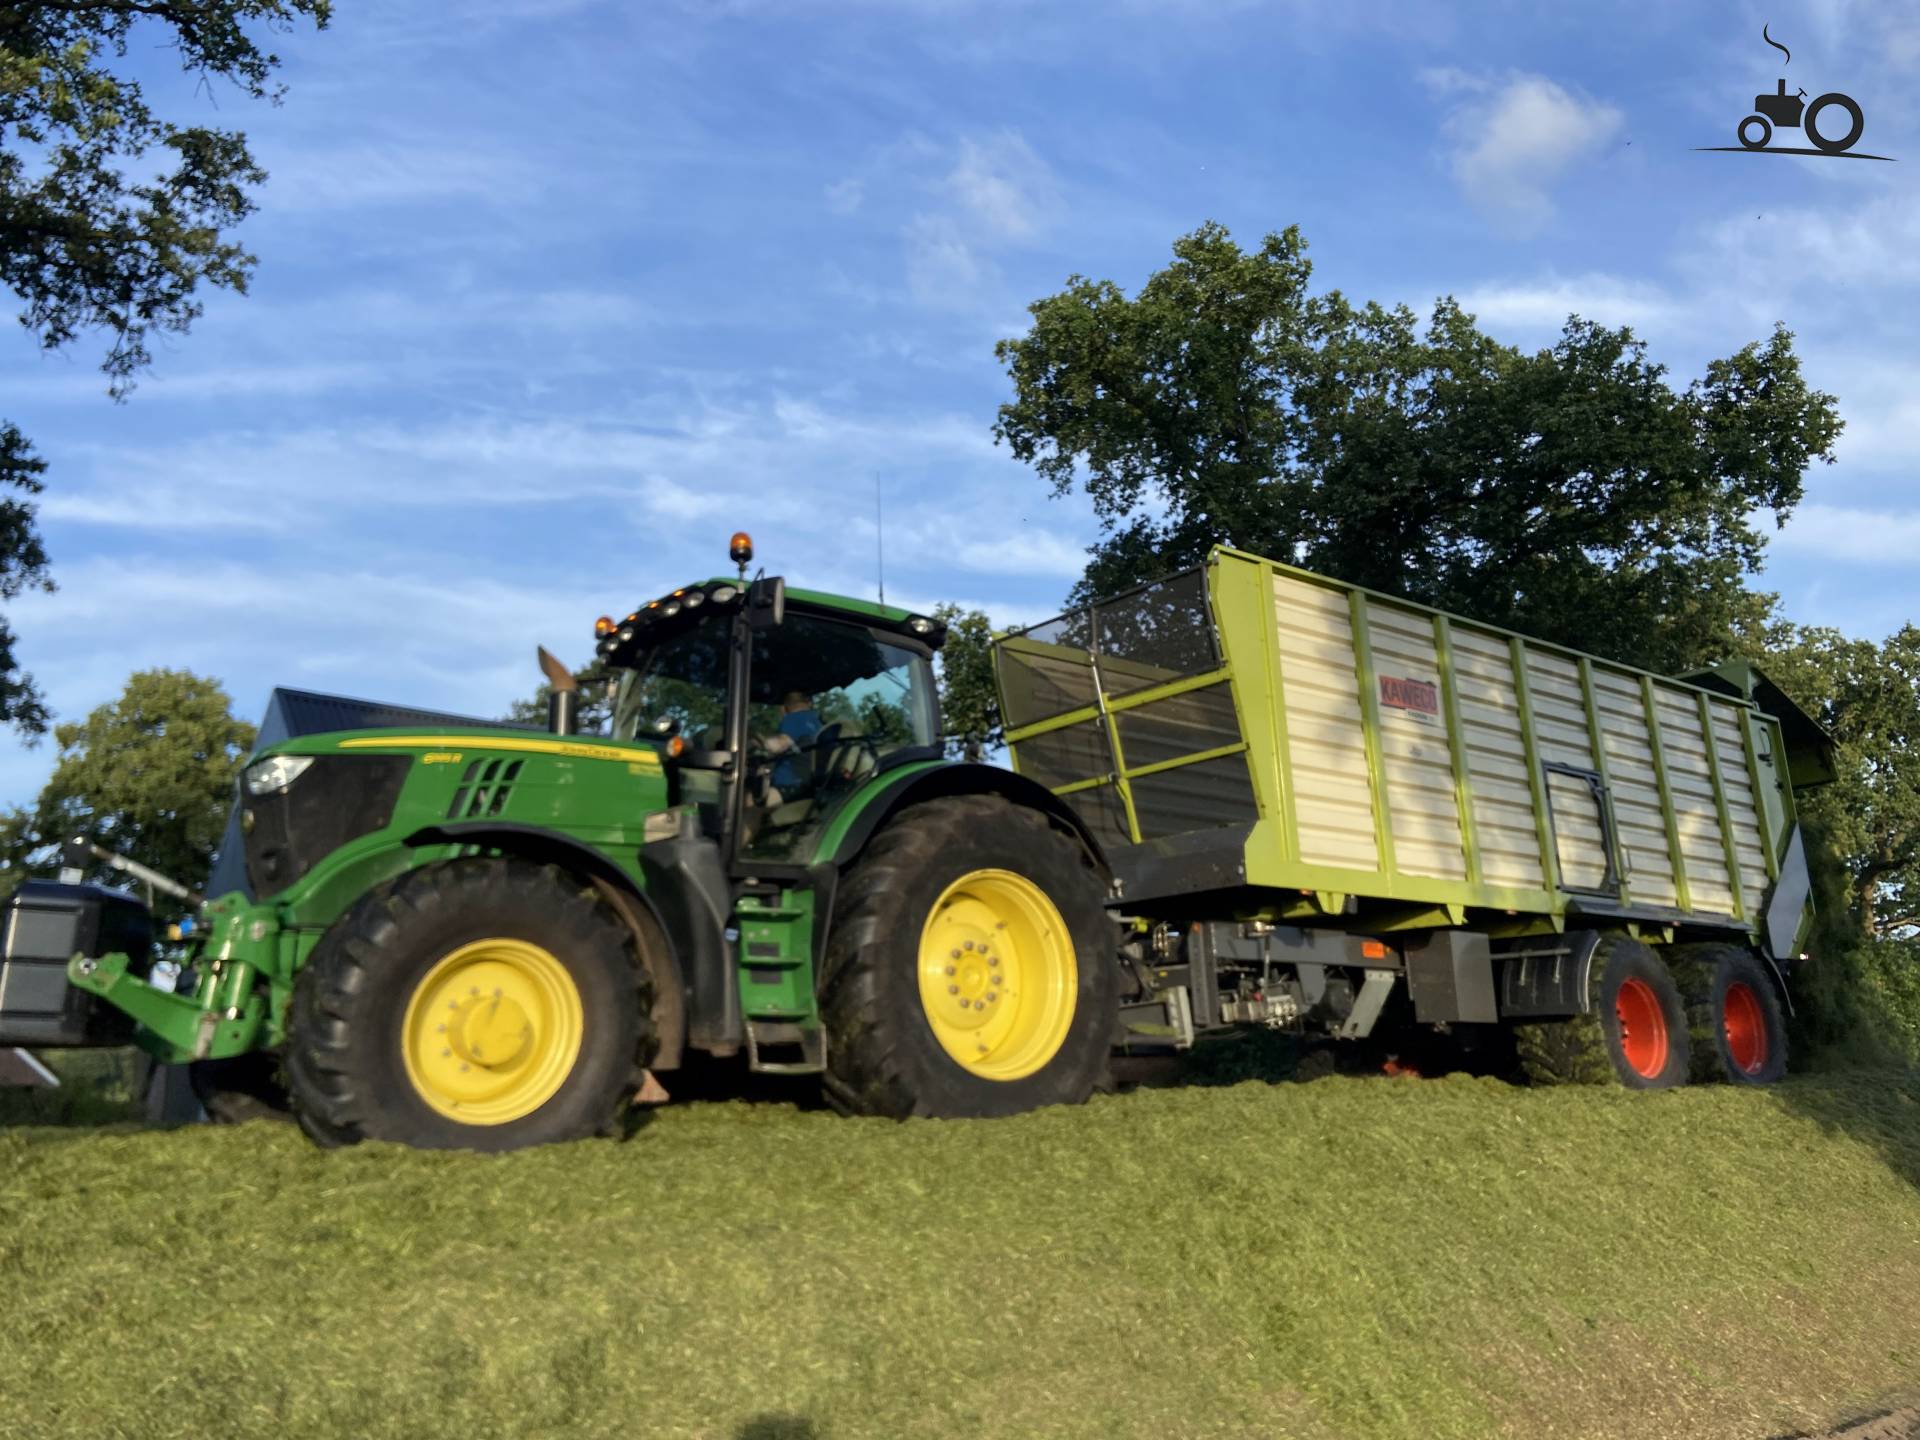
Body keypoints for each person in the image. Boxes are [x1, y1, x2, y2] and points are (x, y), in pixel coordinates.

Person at [768, 690, 821, 797]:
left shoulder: (792, 719)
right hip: (809, 784)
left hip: (787, 785)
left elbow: (779, 745)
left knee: (749, 797)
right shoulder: (818, 723)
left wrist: (763, 744)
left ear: (784, 707)